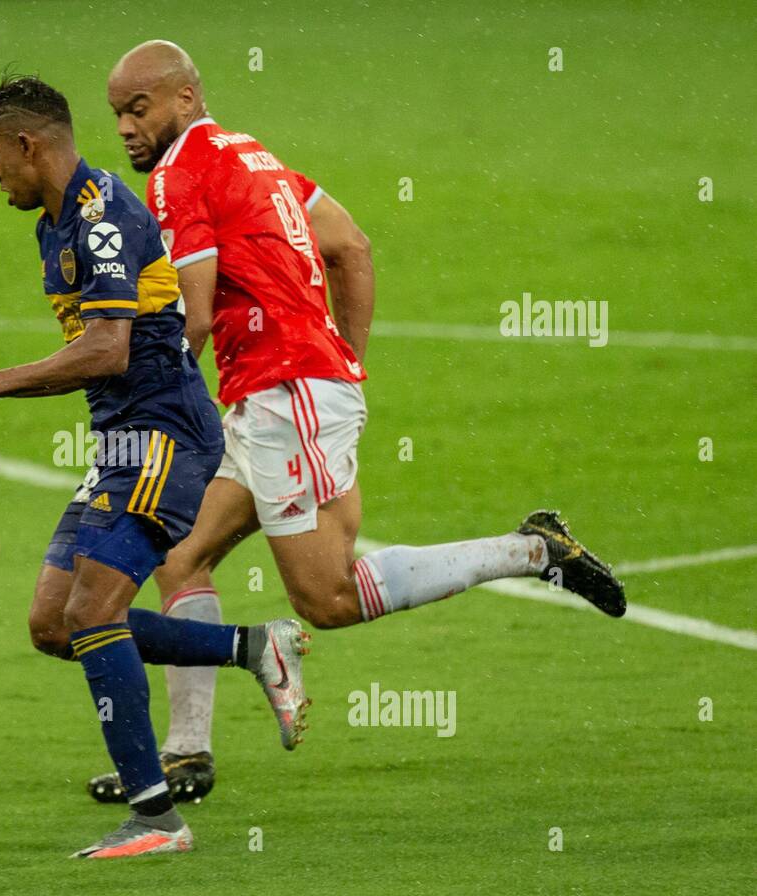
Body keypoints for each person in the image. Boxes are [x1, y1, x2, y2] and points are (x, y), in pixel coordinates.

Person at [81, 40, 627, 804]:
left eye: (138, 109)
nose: (126, 129)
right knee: (180, 557)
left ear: (185, 99)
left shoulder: (180, 175)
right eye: (116, 116)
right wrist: (344, 361)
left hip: (284, 395)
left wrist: (157, 408)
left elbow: (193, 315)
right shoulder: (254, 157)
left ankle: (532, 551)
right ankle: (186, 754)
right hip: (284, 392)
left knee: (327, 599)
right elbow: (352, 246)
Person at [0, 74, 312, 859]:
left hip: (165, 434)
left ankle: (157, 819)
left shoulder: (101, 220)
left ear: (29, 145)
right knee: (52, 624)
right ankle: (254, 648)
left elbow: (109, 347)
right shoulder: (51, 224)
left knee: (92, 615)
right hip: (122, 444)